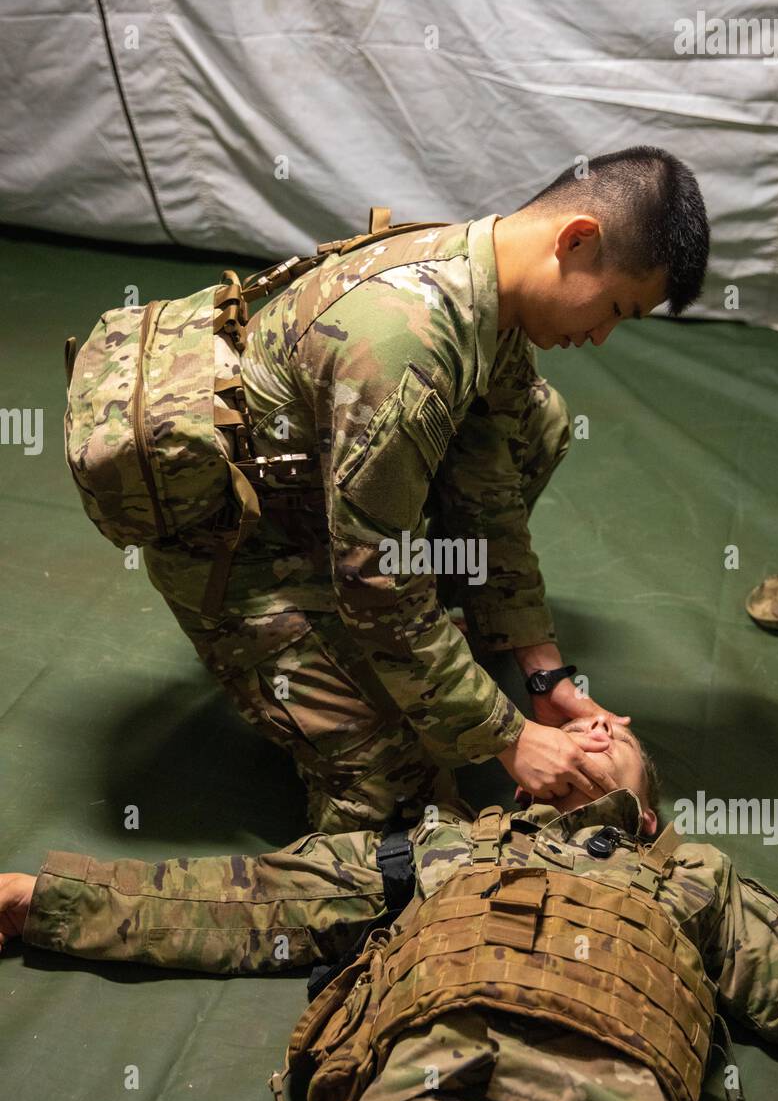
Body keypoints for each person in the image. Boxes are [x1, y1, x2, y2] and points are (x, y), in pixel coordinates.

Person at [2, 717, 778, 1101]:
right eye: (576, 724)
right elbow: (248, 899)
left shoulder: (692, 877)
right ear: (525, 776)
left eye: (613, 731)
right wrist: (31, 900)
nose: (596, 723)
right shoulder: (440, 845)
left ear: (648, 810)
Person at [139, 146, 710, 833]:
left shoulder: (488, 282)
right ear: (577, 240)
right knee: (395, 804)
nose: (601, 335)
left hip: (326, 504)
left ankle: (419, 648)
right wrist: (507, 737)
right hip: (240, 551)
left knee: (537, 422)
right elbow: (375, 579)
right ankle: (314, 649)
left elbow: (489, 486)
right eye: (616, 306)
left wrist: (540, 670)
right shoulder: (401, 347)